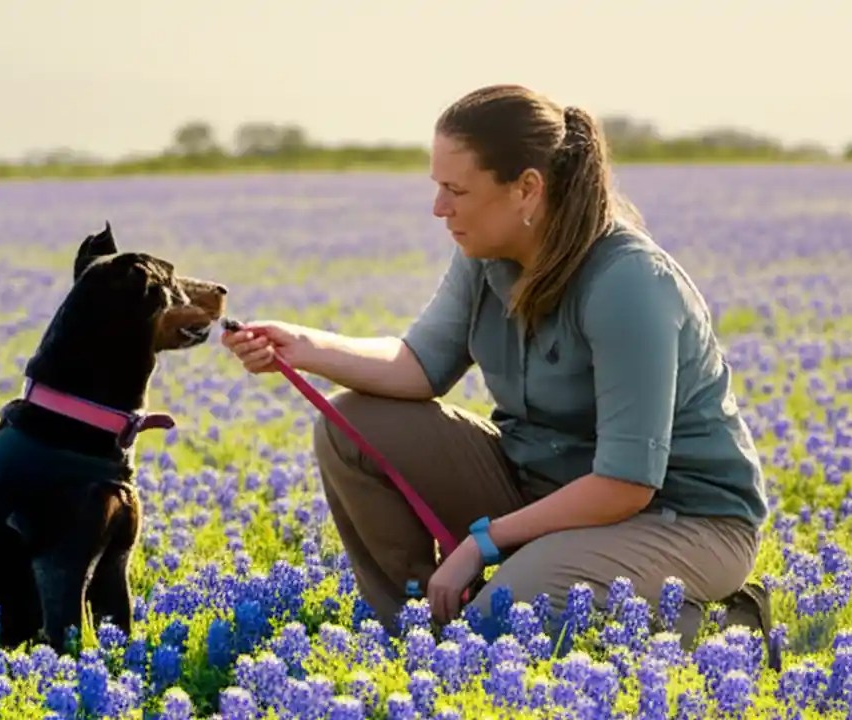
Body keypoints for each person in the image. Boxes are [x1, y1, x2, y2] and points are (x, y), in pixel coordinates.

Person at [221, 84, 772, 649]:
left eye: (455, 189)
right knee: (352, 426)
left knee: (504, 616)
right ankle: (419, 637)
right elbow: (417, 366)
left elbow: (625, 484)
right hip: (542, 486)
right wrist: (303, 346)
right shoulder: (484, 258)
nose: (439, 208)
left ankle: (726, 629)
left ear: (526, 189)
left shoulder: (628, 283)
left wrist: (482, 543)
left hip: (676, 517)